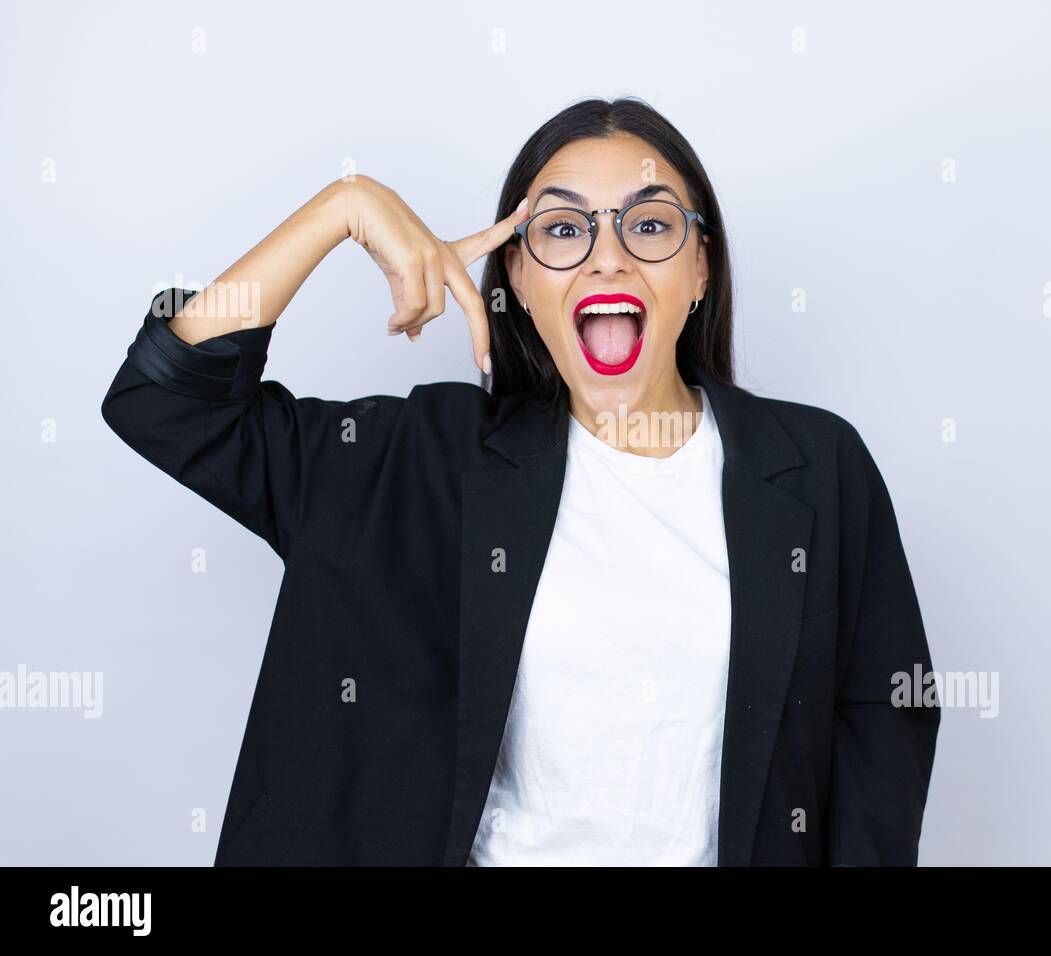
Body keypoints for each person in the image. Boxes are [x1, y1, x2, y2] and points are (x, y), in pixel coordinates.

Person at [101, 96, 940, 866]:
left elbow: (883, 720)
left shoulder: (818, 469)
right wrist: (344, 207)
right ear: (520, 283)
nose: (607, 258)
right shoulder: (419, 464)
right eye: (563, 231)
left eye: (649, 226)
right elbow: (164, 405)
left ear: (701, 272)